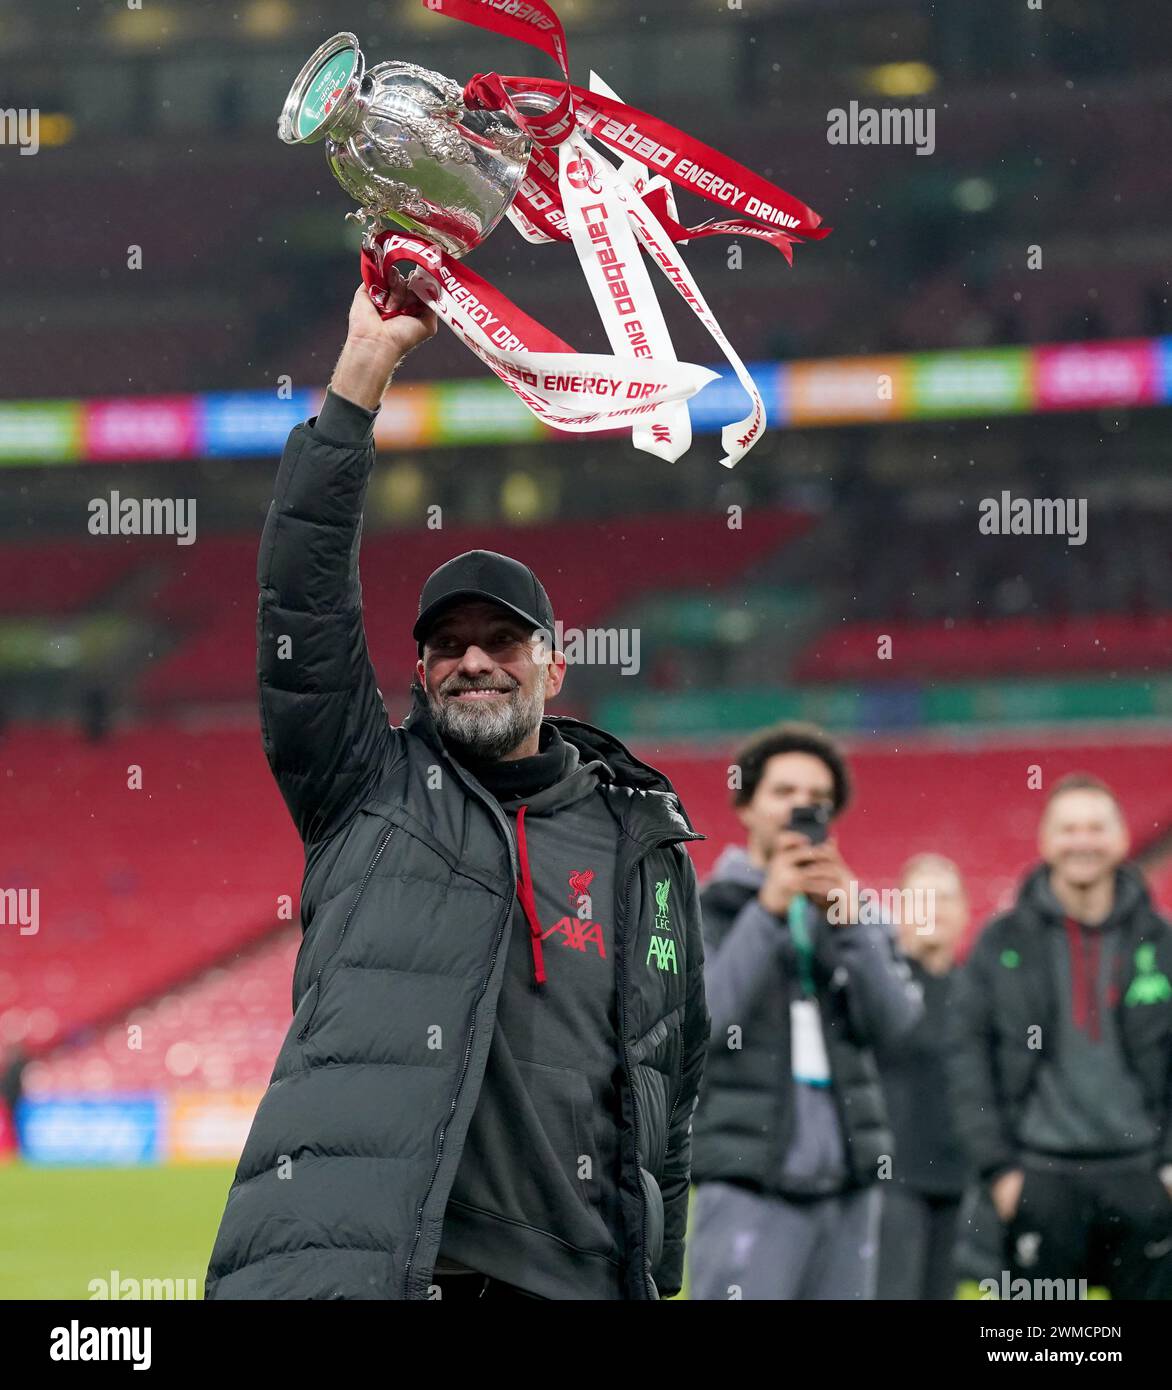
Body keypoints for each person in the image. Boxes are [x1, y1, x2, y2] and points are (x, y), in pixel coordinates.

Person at [205, 272, 711, 1301]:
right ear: (421, 672)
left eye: (500, 642)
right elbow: (300, 607)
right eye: (446, 645)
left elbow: (668, 1105)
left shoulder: (641, 846)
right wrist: (363, 370)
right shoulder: (365, 787)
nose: (473, 661)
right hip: (379, 1269)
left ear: (553, 665)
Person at [688, 722, 922, 1300]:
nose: (801, 807)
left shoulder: (852, 915)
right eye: (784, 792)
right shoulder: (705, 908)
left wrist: (851, 924)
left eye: (817, 800)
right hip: (748, 1179)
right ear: (744, 804)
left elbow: (898, 1027)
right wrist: (767, 912)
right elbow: (705, 1020)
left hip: (848, 1185)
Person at [949, 773, 1172, 1300]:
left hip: (1144, 1177)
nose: (1082, 841)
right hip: (1040, 1179)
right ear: (1046, 841)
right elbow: (967, 1062)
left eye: (1096, 827)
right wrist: (1001, 1172)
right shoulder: (1000, 943)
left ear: (1120, 839)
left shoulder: (1162, 941)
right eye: (1068, 828)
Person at [875, 854, 970, 1299]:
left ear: (965, 911)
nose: (935, 908)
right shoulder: (876, 985)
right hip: (893, 1179)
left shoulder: (976, 990)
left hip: (958, 1180)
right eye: (922, 897)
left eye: (946, 897)